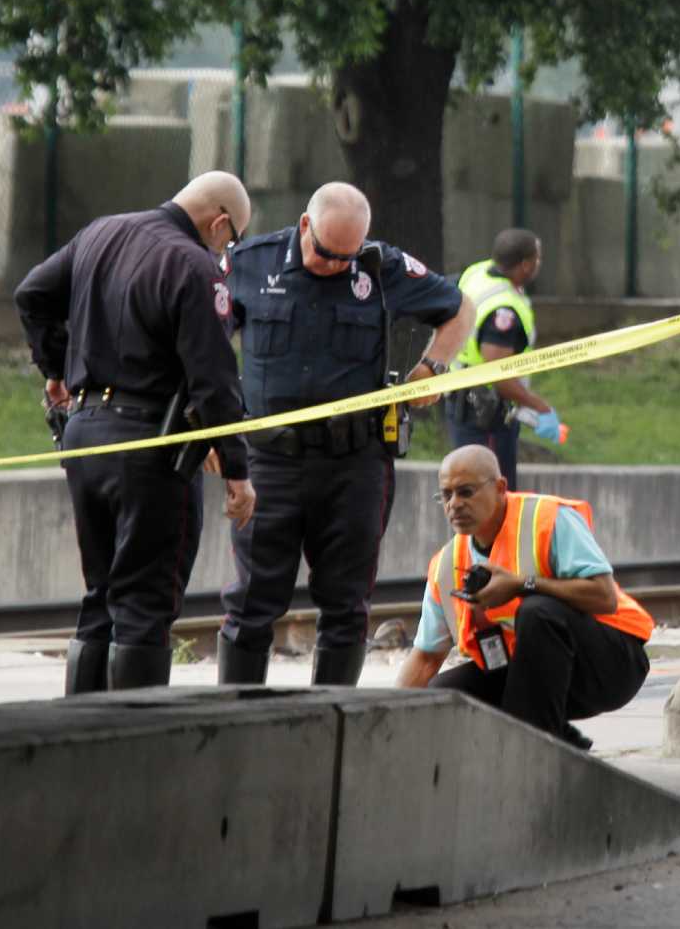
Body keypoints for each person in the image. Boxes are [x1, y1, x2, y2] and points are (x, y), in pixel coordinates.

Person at [216, 181, 472, 687]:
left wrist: (434, 366)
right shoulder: (251, 262)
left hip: (354, 464)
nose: (335, 265)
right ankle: (235, 721)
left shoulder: (380, 267)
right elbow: (207, 339)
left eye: (346, 257)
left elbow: (459, 307)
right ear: (305, 225)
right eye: (326, 253)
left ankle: (333, 722)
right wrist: (212, 427)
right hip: (272, 460)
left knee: (346, 602)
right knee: (252, 601)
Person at [13, 171, 258, 693]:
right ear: (219, 222)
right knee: (146, 603)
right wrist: (237, 469)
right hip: (149, 448)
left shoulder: (100, 232)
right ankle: (133, 743)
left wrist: (53, 368)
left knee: (100, 594)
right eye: (231, 237)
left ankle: (81, 734)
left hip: (83, 434)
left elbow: (31, 293)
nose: (226, 247)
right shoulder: (194, 265)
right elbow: (213, 380)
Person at [397, 445, 653, 748]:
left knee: (537, 612)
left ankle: (528, 753)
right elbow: (426, 657)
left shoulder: (546, 519)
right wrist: (385, 720)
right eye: (446, 495)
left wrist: (522, 584)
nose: (455, 504)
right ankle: (557, 739)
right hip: (534, 674)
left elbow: (604, 596)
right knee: (443, 697)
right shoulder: (446, 565)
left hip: (611, 664)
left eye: (466, 492)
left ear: (500, 488)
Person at [444, 228, 560, 488]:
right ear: (526, 265)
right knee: (489, 499)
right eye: (537, 259)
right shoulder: (503, 311)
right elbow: (498, 376)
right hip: (485, 416)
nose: (538, 264)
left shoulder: (478, 272)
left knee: (474, 492)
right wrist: (540, 408)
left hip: (465, 404)